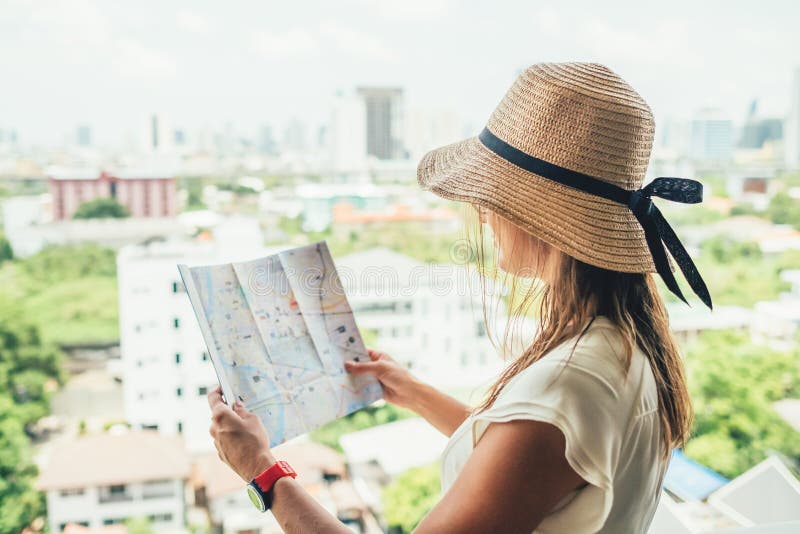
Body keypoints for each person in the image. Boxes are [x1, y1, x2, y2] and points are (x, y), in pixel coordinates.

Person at [208, 62, 712, 533]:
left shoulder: (568, 383)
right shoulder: (622, 345)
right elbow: (528, 466)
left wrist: (263, 471)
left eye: (493, 199)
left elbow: (536, 438)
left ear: (540, 216)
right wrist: (413, 391)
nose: (485, 217)